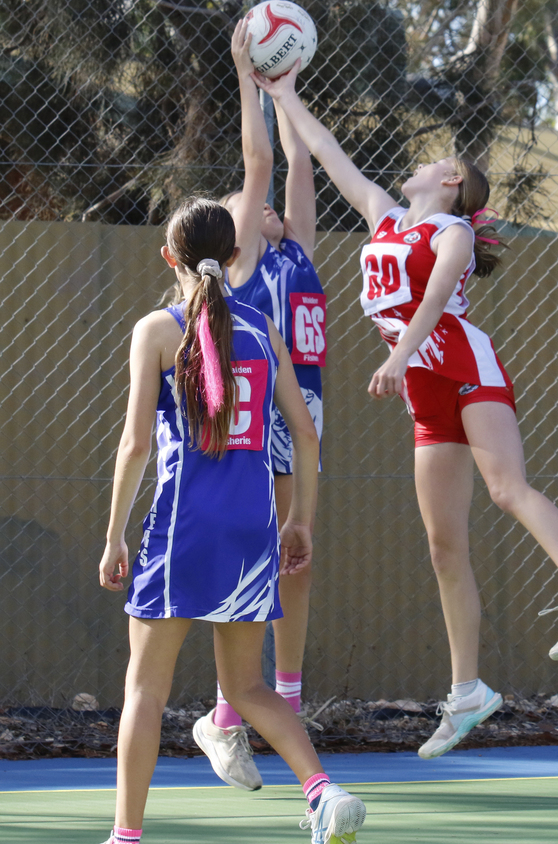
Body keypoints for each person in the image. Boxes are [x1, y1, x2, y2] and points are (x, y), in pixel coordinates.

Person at [252, 62, 558, 760]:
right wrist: (284, 95)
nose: (421, 163)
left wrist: (397, 356)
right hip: (424, 389)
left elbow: (430, 306)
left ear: (452, 182)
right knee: (442, 544)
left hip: (461, 368)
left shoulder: (448, 233)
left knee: (506, 488)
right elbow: (331, 153)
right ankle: (467, 692)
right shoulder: (386, 218)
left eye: (436, 160)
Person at [97, 196, 365, 844]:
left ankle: (126, 835)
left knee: (146, 692)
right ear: (236, 255)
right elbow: (304, 432)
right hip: (251, 530)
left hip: (182, 529)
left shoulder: (158, 330)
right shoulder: (262, 332)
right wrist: (299, 518)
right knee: (247, 685)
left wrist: (113, 534)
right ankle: (323, 792)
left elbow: (135, 444)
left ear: (169, 256)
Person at [201, 19, 327, 790]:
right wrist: (248, 80)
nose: (265, 204)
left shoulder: (298, 249)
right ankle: (233, 714)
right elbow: (258, 163)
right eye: (246, 206)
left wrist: (287, 93)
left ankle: (265, 702)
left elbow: (295, 163)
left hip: (304, 419)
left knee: (298, 564)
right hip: (259, 423)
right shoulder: (243, 261)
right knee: (269, 563)